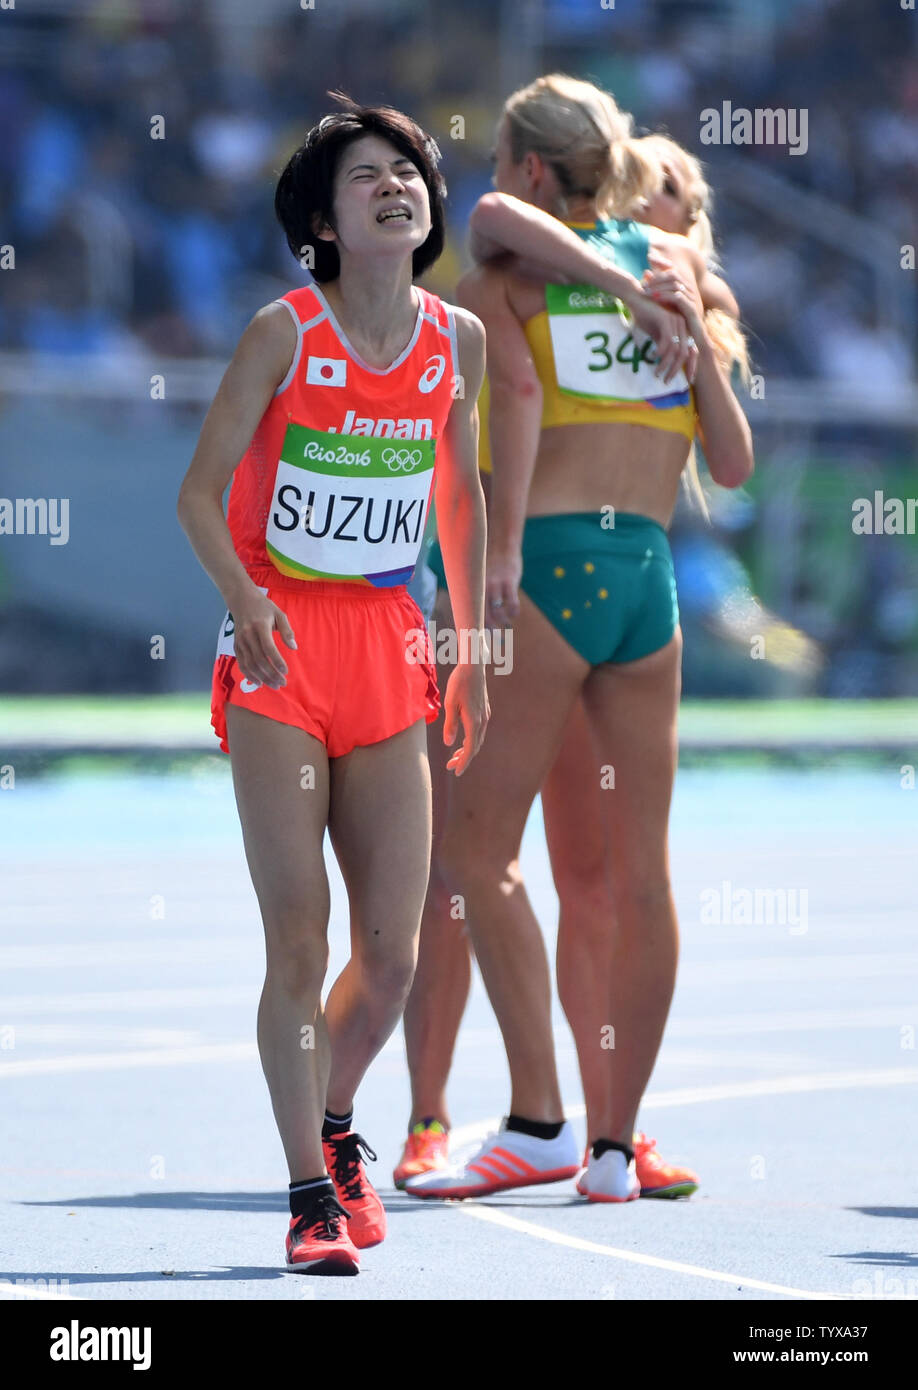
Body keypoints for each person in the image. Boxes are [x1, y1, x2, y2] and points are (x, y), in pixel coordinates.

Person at [400, 75, 753, 1204]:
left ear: (534, 168)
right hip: (648, 581)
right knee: (631, 880)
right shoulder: (672, 273)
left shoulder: (505, 280)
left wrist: (495, 559)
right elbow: (735, 468)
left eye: (499, 160)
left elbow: (499, 278)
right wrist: (677, 312)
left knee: (474, 854)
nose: (487, 188)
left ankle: (541, 1116)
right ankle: (614, 1148)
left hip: (547, 572)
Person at [177, 93, 488, 1273]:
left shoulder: (450, 342)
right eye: (367, 176)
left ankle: (338, 1119)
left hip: (390, 643)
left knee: (396, 953)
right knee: (299, 943)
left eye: (408, 172)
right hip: (282, 652)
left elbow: (451, 499)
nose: (396, 186)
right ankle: (310, 1193)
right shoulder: (282, 332)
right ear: (323, 215)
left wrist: (459, 643)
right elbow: (197, 498)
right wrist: (248, 600)